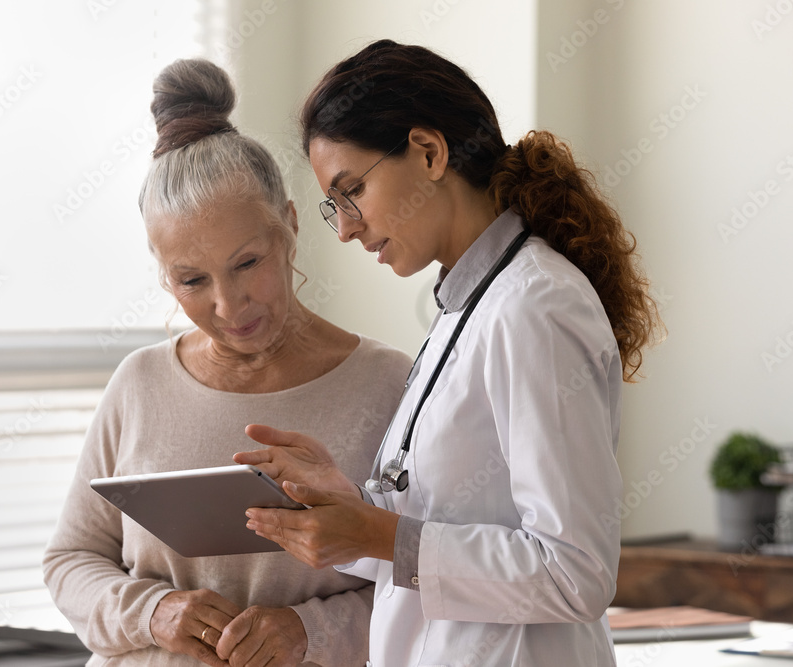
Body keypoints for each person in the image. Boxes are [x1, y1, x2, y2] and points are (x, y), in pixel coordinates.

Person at [235, 40, 662, 666]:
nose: (347, 226)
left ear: (429, 153)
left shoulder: (533, 307)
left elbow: (576, 573)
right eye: (335, 206)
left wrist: (382, 533)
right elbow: (442, 526)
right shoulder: (465, 306)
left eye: (351, 190)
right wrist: (349, 510)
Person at [42, 58, 412, 667]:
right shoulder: (138, 384)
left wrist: (307, 630)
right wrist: (152, 614)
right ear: (165, 278)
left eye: (247, 264)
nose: (227, 305)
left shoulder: (388, 384)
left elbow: (424, 577)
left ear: (290, 226)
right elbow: (70, 561)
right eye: (191, 280)